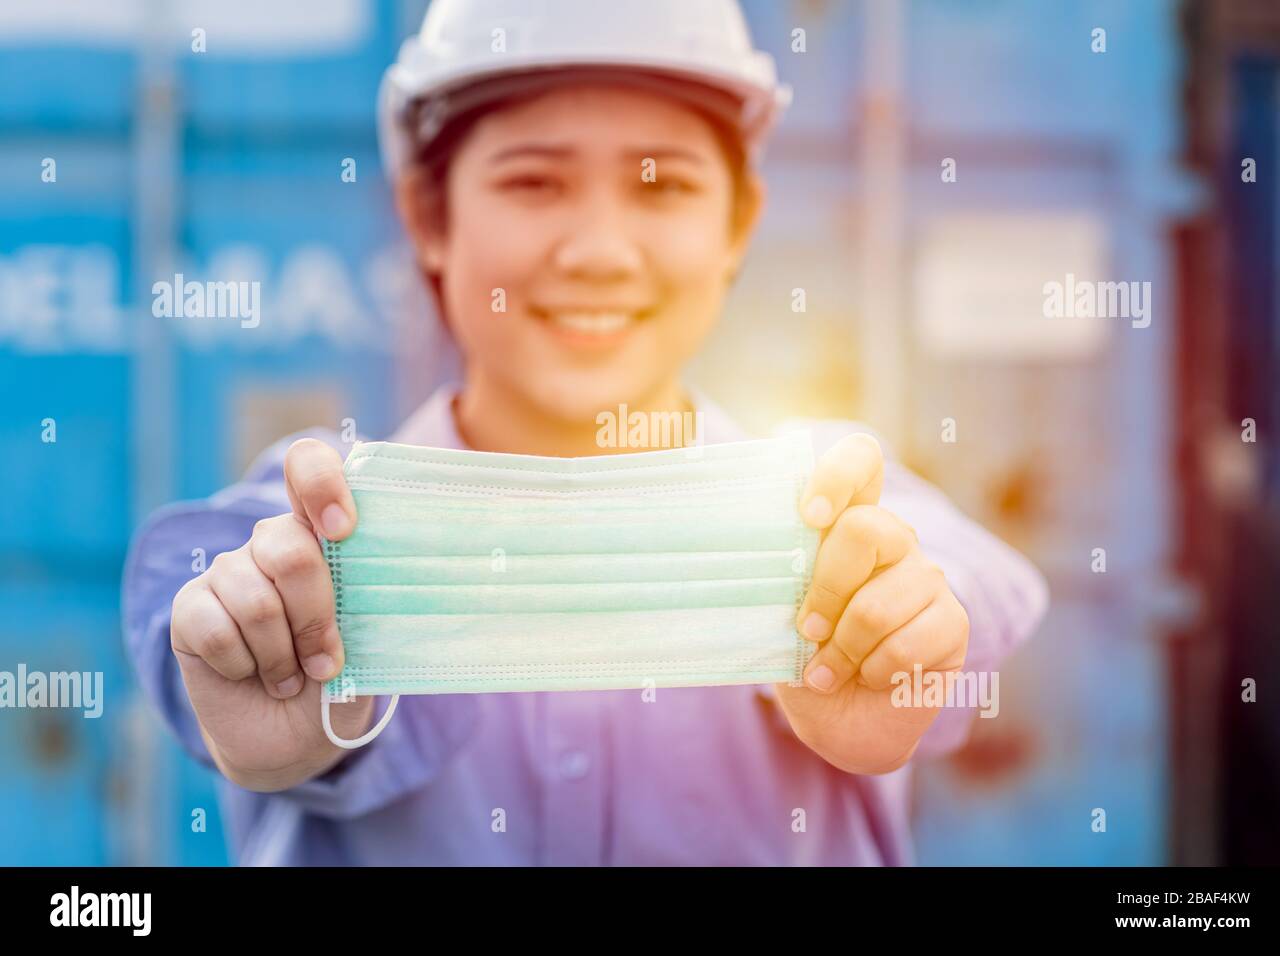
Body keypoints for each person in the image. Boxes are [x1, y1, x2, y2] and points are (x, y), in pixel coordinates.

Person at [122, 0, 1047, 865]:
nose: (600, 251)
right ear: (427, 219)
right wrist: (286, 691)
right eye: (534, 181)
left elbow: (972, 592)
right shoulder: (305, 530)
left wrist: (894, 642)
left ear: (737, 226)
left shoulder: (842, 510)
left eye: (664, 186)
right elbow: (191, 605)